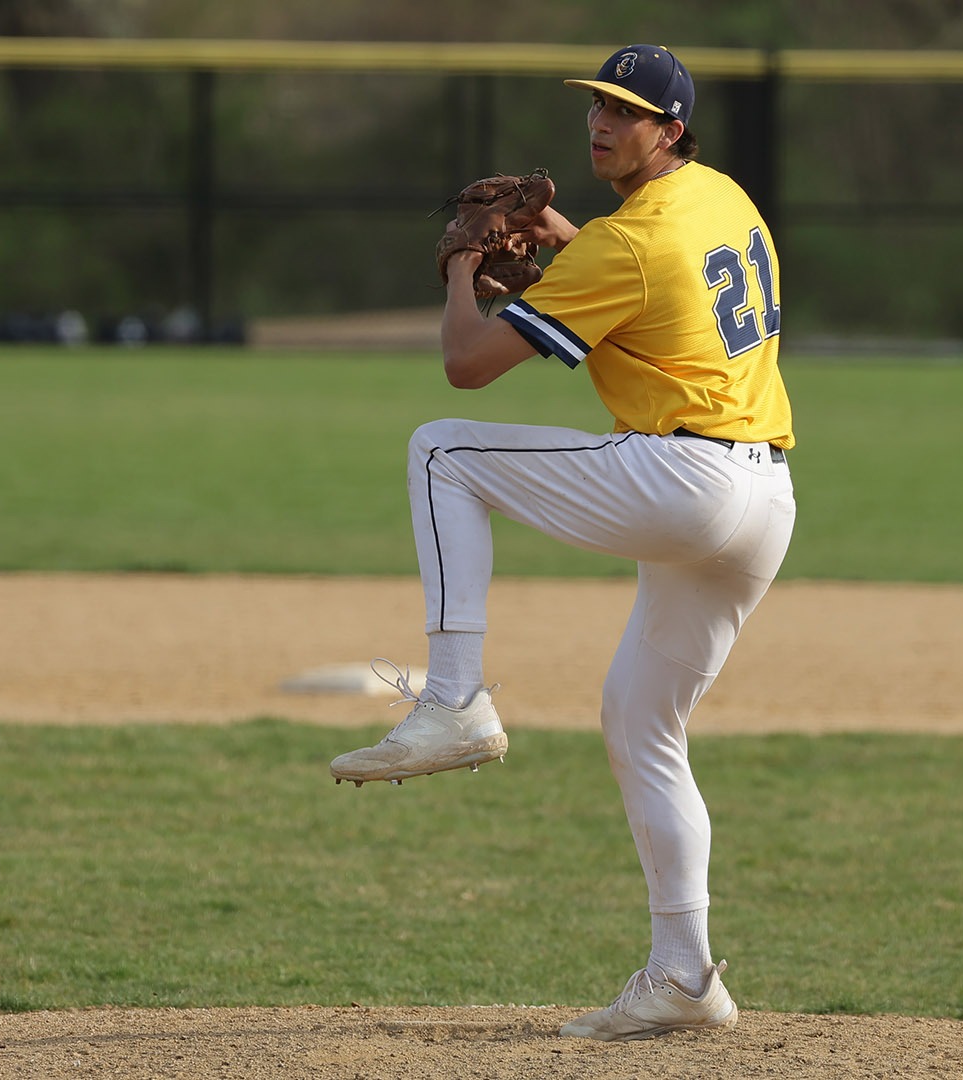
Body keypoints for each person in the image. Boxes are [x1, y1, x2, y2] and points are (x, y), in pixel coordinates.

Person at [330, 43, 796, 1043]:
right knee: (642, 722)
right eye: (597, 105)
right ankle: (685, 975)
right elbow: (646, 287)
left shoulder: (621, 247)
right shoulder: (717, 197)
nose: (601, 123)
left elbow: (465, 365)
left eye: (626, 112)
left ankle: (453, 704)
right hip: (763, 499)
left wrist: (462, 268)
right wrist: (554, 234)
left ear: (669, 129)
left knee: (441, 453)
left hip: (687, 481)